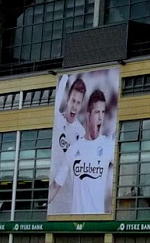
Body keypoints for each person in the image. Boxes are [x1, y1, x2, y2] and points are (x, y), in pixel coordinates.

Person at [53, 88, 116, 215]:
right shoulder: (74, 149)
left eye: (103, 112)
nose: (100, 118)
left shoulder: (109, 145)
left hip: (98, 222)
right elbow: (55, 185)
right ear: (88, 115)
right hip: (75, 221)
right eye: (97, 112)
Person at [47, 76, 88, 207]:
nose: (74, 106)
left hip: (68, 198)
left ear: (81, 105)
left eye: (78, 103)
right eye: (73, 101)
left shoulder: (81, 134)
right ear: (67, 100)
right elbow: (58, 95)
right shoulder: (57, 120)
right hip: (51, 191)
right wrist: (64, 76)